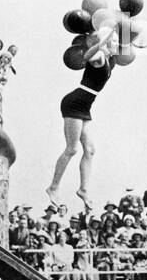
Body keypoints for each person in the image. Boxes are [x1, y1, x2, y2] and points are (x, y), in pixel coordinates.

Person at [47, 52, 115, 213]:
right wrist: (101, 41)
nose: (115, 42)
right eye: (112, 39)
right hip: (74, 103)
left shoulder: (110, 60)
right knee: (72, 149)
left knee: (90, 150)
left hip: (85, 106)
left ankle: (83, 189)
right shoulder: (99, 55)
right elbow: (89, 56)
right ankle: (53, 187)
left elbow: (123, 47)